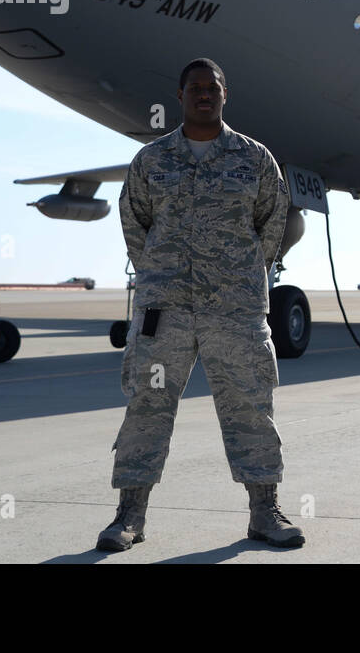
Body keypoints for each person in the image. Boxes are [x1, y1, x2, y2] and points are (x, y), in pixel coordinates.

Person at [97, 57, 302, 550]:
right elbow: (134, 223)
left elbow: (271, 225)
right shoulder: (151, 160)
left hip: (235, 309)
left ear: (224, 95)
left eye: (212, 88)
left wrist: (240, 274)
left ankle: (264, 512)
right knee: (147, 407)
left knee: (251, 408)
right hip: (163, 309)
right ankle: (129, 516)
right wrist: (161, 272)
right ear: (181, 96)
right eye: (194, 88)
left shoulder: (254, 159)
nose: (203, 95)